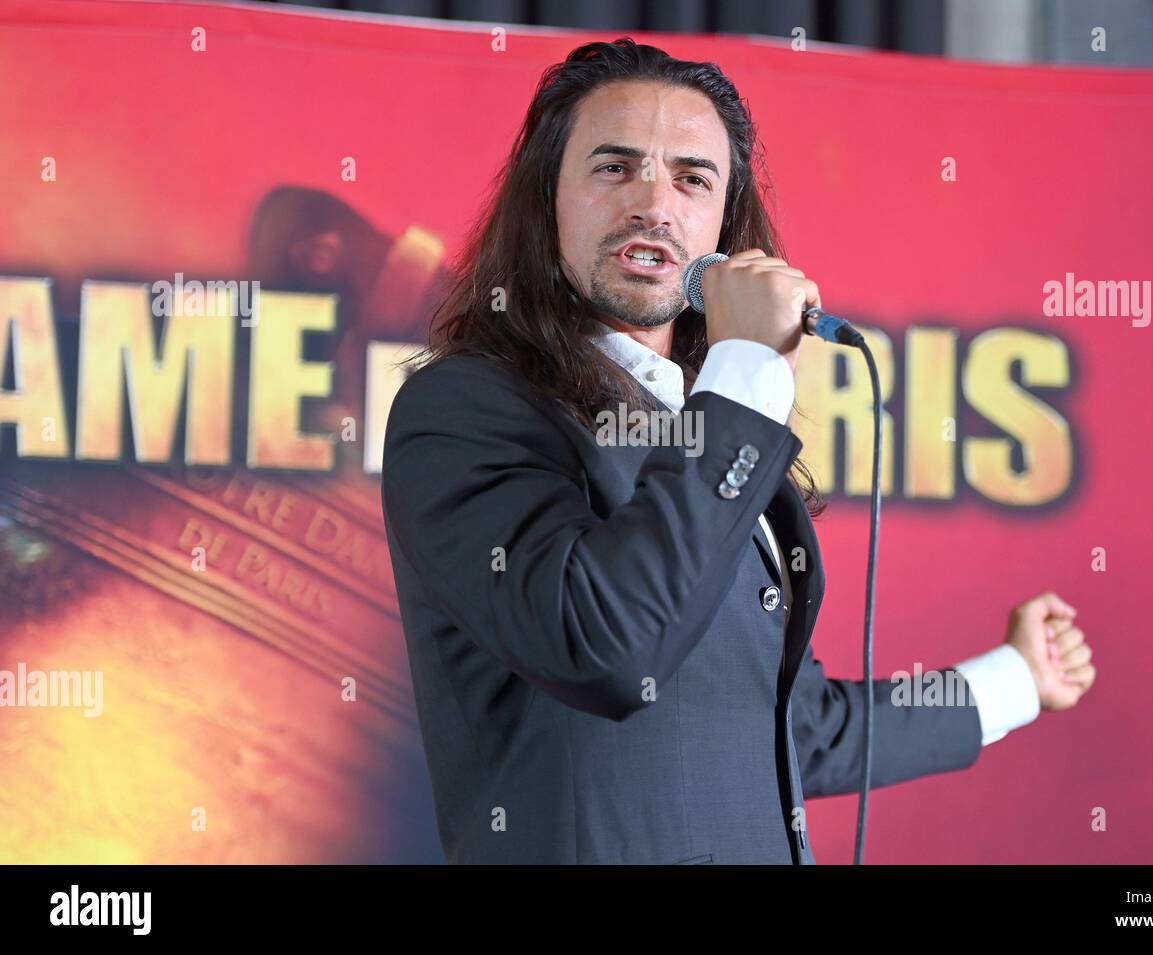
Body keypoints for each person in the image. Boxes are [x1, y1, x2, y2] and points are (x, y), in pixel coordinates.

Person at [381, 38, 1096, 865]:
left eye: (693, 177)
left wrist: (1013, 679)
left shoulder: (706, 414)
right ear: (547, 201)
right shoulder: (465, 409)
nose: (655, 202)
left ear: (724, 228)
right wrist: (748, 370)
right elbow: (602, 644)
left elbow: (791, 728)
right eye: (615, 167)